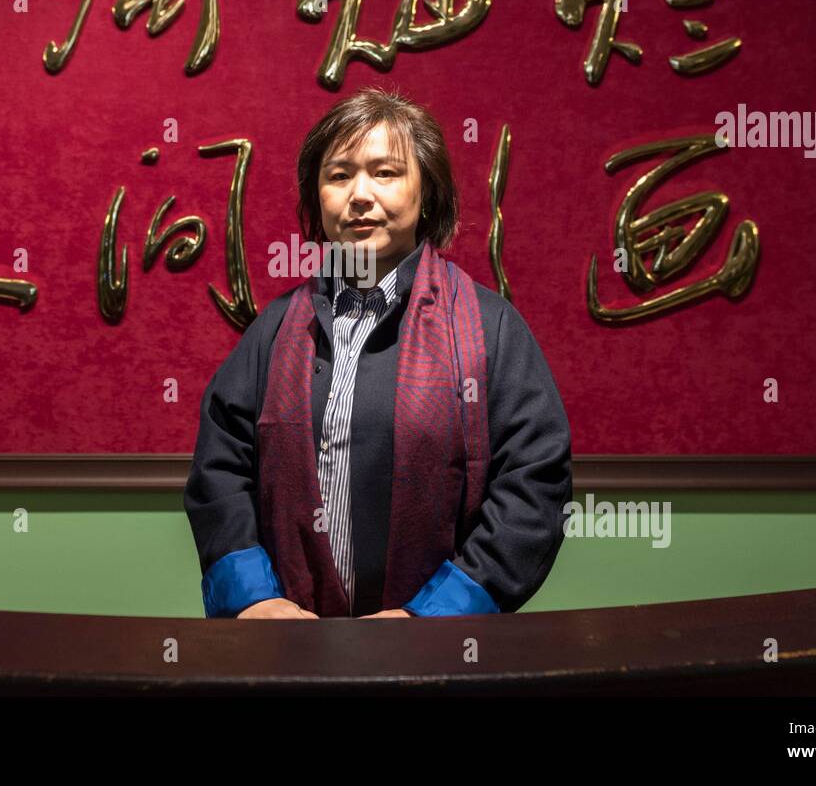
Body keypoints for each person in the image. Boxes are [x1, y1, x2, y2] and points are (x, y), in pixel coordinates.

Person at [184, 87, 572, 619]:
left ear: (427, 193)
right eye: (339, 175)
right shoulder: (274, 331)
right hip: (291, 650)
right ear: (317, 200)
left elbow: (534, 484)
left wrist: (433, 616)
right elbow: (220, 471)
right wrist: (254, 598)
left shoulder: (489, 328)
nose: (360, 194)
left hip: (440, 660)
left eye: (385, 173)